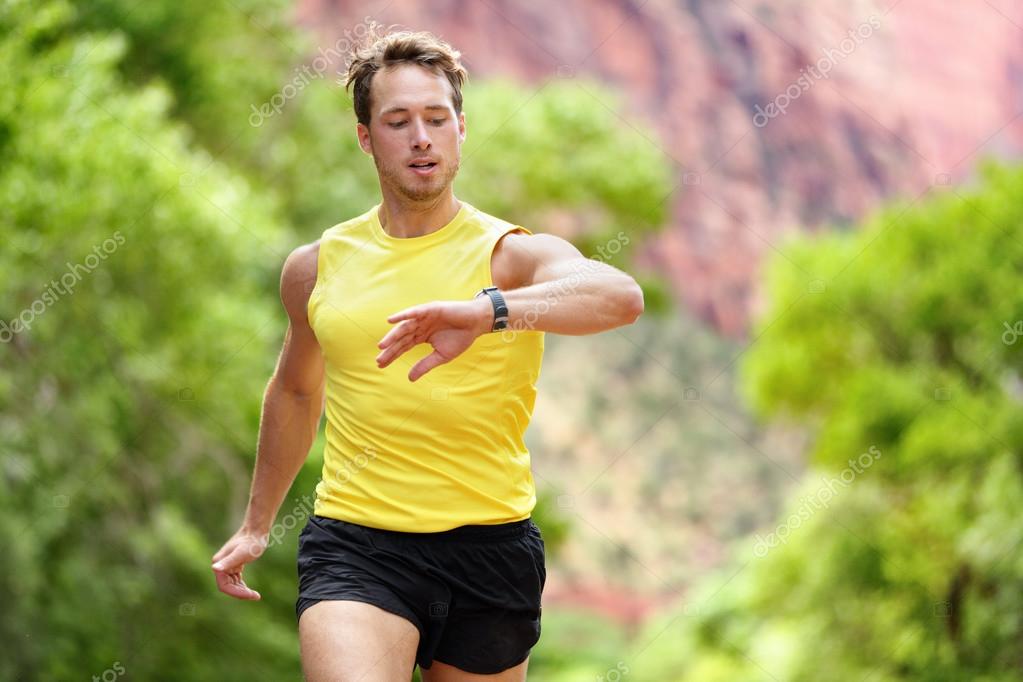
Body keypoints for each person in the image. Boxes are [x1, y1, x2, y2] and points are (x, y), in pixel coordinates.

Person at [210, 28, 644, 682]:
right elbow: (298, 390)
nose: (421, 137)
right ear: (365, 137)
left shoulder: (510, 254)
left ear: (461, 129)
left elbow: (620, 296)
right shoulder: (316, 267)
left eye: (437, 119)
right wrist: (255, 523)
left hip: (491, 547)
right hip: (357, 543)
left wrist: (488, 311)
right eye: (398, 121)